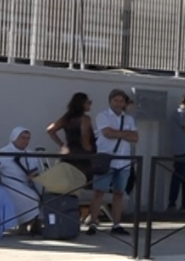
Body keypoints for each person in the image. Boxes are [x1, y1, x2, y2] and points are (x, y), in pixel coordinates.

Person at [89, 89, 138, 236]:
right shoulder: (102, 116)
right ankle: (93, 223)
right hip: (106, 159)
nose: (118, 103)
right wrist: (125, 134)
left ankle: (116, 224)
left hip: (123, 160)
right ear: (110, 101)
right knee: (99, 192)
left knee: (119, 193)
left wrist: (117, 133)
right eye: (116, 100)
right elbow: (107, 133)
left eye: (121, 101)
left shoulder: (128, 119)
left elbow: (135, 137)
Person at [0, 126, 43, 232]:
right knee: (31, 198)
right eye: (23, 138)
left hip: (27, 183)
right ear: (14, 138)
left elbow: (37, 170)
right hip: (9, 183)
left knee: (44, 192)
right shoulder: (3, 152)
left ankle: (36, 223)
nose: (25, 141)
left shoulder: (30, 154)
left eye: (28, 138)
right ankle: (24, 225)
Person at [47, 92, 96, 181]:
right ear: (82, 103)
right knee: (82, 181)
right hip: (82, 155)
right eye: (88, 102)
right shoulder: (85, 118)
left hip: (69, 153)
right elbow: (84, 134)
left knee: (69, 180)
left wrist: (62, 145)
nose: (90, 105)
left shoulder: (67, 117)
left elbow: (51, 130)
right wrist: (89, 149)